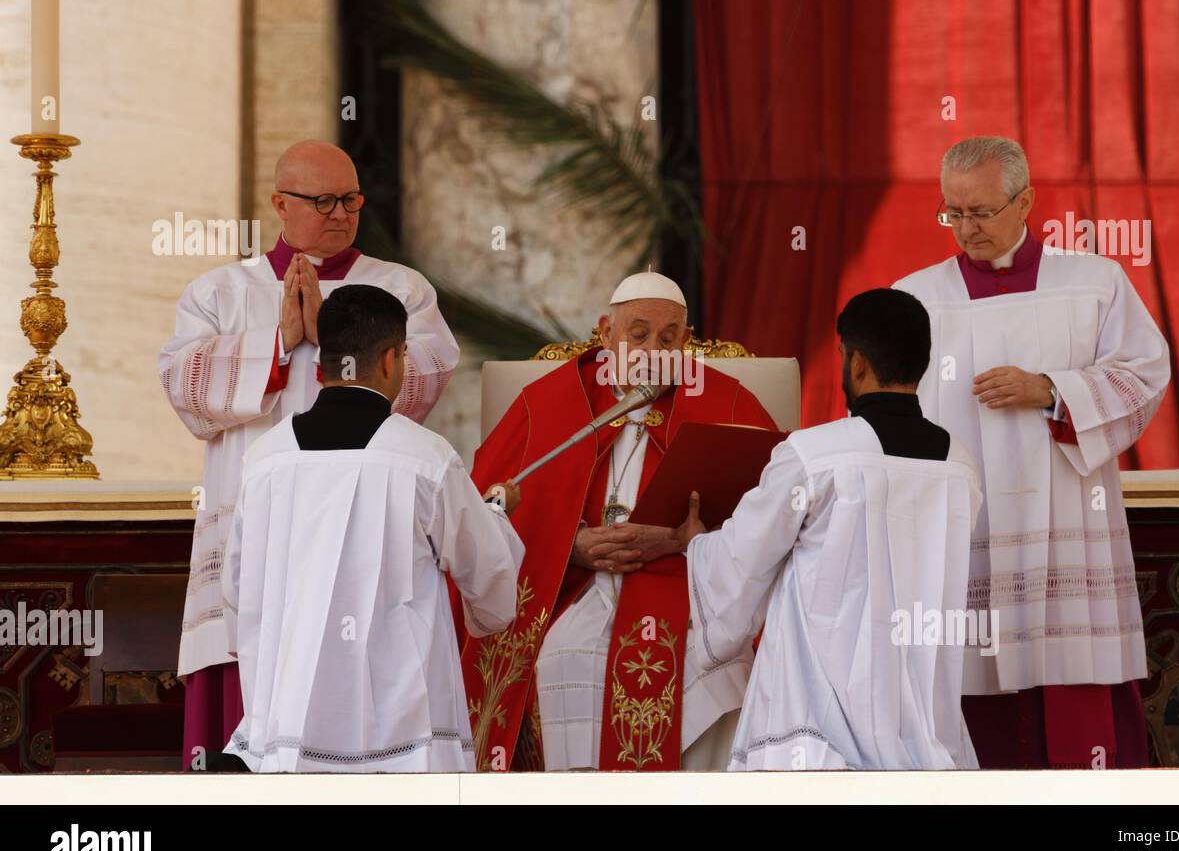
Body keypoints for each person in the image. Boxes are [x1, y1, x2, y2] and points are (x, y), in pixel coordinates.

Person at [159, 140, 460, 771]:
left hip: (366, 550)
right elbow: (187, 393)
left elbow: (423, 383)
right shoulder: (219, 291)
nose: (339, 213)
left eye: (350, 199)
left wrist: (334, 339)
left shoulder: (399, 288)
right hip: (257, 539)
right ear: (279, 203)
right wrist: (278, 343)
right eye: (322, 200)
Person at [893, 135, 1170, 769]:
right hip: (968, 523)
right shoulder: (914, 299)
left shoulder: (1094, 282)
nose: (965, 229)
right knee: (970, 683)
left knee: (1071, 678)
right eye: (952, 213)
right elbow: (884, 404)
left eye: (981, 212)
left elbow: (1144, 375)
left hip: (1068, 515)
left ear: (1026, 202)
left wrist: (1049, 390)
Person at [460, 271, 778, 771]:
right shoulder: (549, 405)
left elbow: (772, 521)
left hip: (687, 587)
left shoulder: (728, 405)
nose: (653, 349)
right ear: (606, 333)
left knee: (721, 669)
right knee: (561, 657)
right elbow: (484, 514)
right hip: (577, 587)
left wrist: (684, 541)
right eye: (638, 334)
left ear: (685, 342)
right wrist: (570, 546)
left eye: (668, 339)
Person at [221, 285, 521, 772]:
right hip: (403, 740)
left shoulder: (265, 460)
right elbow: (489, 584)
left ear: (325, 359)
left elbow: (237, 586)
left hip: (289, 729)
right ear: (390, 358)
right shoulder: (424, 458)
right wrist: (497, 512)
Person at [682, 289, 983, 770]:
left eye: (843, 355)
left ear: (857, 362)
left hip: (817, 728)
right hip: (921, 727)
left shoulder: (815, 455)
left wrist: (694, 543)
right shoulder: (960, 465)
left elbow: (742, 562)